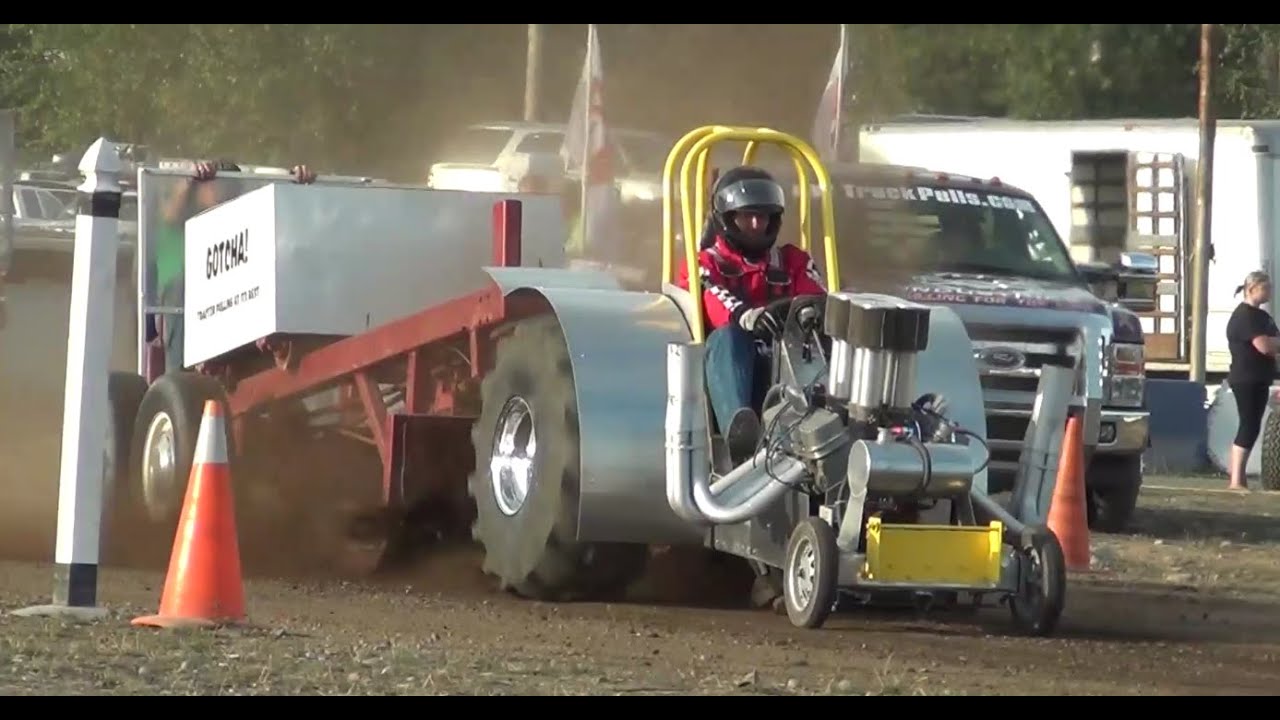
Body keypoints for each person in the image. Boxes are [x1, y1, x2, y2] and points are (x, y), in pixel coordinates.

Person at [674, 166, 827, 465]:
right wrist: (749, 317)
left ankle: (829, 425)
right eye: (747, 217)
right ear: (727, 219)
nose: (756, 225)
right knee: (729, 337)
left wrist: (799, 315)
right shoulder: (703, 263)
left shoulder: (794, 260)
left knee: (823, 337)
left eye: (764, 216)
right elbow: (714, 301)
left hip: (788, 363)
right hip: (727, 365)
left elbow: (817, 300)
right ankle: (739, 433)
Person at [151, 159, 317, 373]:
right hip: (177, 311)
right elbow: (170, 214)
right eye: (221, 186)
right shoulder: (179, 223)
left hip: (224, 308)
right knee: (184, 284)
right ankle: (180, 375)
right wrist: (190, 179)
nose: (227, 194)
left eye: (232, 188)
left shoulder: (239, 228)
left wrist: (297, 184)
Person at [1225, 270, 1280, 490]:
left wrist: (1272, 341)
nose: (1269, 292)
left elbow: (1273, 340)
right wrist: (1272, 343)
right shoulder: (1244, 316)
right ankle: (1235, 480)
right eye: (1265, 287)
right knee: (1248, 426)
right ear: (1251, 288)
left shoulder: (1263, 317)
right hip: (1245, 378)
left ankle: (1241, 478)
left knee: (1253, 426)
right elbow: (1264, 346)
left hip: (1260, 378)